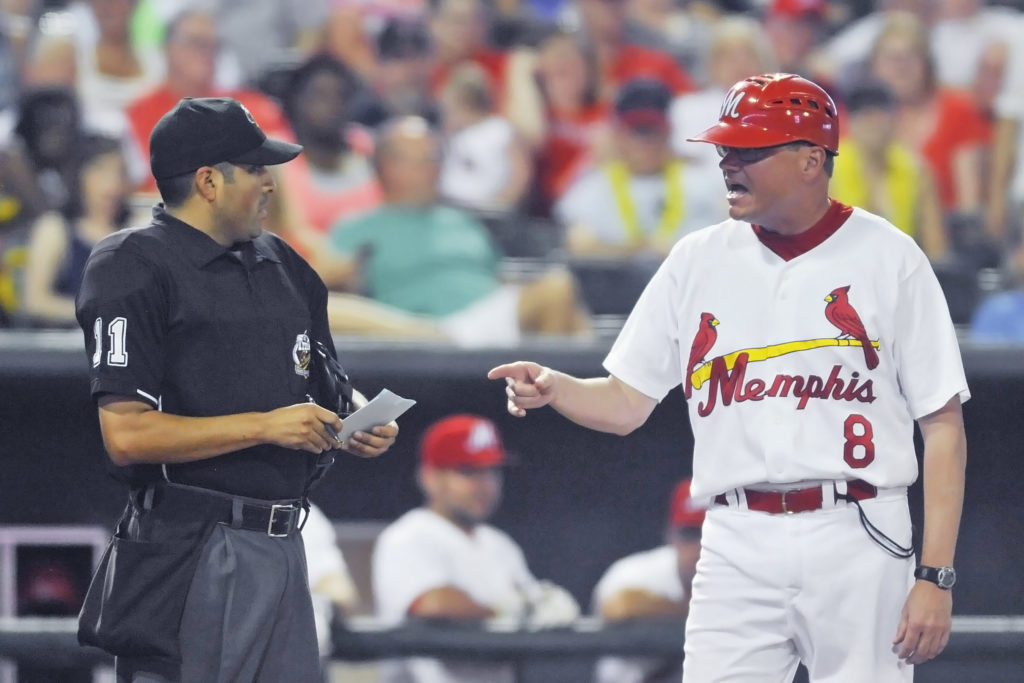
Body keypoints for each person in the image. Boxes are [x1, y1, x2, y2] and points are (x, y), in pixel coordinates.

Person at [489, 73, 968, 682]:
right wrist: (558, 388)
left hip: (860, 530)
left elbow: (943, 425)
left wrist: (935, 575)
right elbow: (628, 402)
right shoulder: (698, 259)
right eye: (724, 149)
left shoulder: (891, 256)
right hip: (736, 535)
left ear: (810, 159)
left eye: (748, 150)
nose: (727, 163)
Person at [74, 96, 399, 681]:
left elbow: (319, 380)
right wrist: (268, 424)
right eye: (255, 168)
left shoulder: (285, 263)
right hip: (192, 545)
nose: (271, 182)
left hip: (284, 543)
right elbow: (125, 434)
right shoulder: (132, 265)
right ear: (207, 182)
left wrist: (354, 417)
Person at [325, 115, 590, 345]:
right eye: (424, 159)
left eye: (437, 157)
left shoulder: (462, 220)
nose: (435, 167)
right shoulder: (356, 227)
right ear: (387, 166)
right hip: (417, 332)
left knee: (561, 294)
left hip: (490, 321)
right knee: (557, 290)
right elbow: (328, 293)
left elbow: (496, 277)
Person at [372, 414, 581, 683]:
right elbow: (433, 604)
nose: (485, 484)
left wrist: (539, 606)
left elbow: (530, 606)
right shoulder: (409, 536)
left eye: (491, 471)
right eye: (468, 471)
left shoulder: (500, 545)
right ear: (430, 477)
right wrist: (511, 610)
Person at [555, 77, 727, 258]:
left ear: (668, 132)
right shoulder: (595, 186)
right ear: (619, 135)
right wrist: (636, 253)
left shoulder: (699, 183)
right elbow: (579, 244)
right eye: (637, 132)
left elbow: (724, 235)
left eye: (653, 131)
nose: (646, 142)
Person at [592, 478, 705, 683]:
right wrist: (707, 610)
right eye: (691, 534)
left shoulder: (742, 575)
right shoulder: (635, 572)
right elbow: (619, 606)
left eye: (710, 534)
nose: (701, 546)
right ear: (671, 536)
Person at [22, 134, 132, 327]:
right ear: (80, 175)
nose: (112, 185)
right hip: (65, 347)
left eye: (120, 172)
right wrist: (100, 313)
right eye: (101, 171)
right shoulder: (55, 228)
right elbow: (35, 301)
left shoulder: (135, 231)